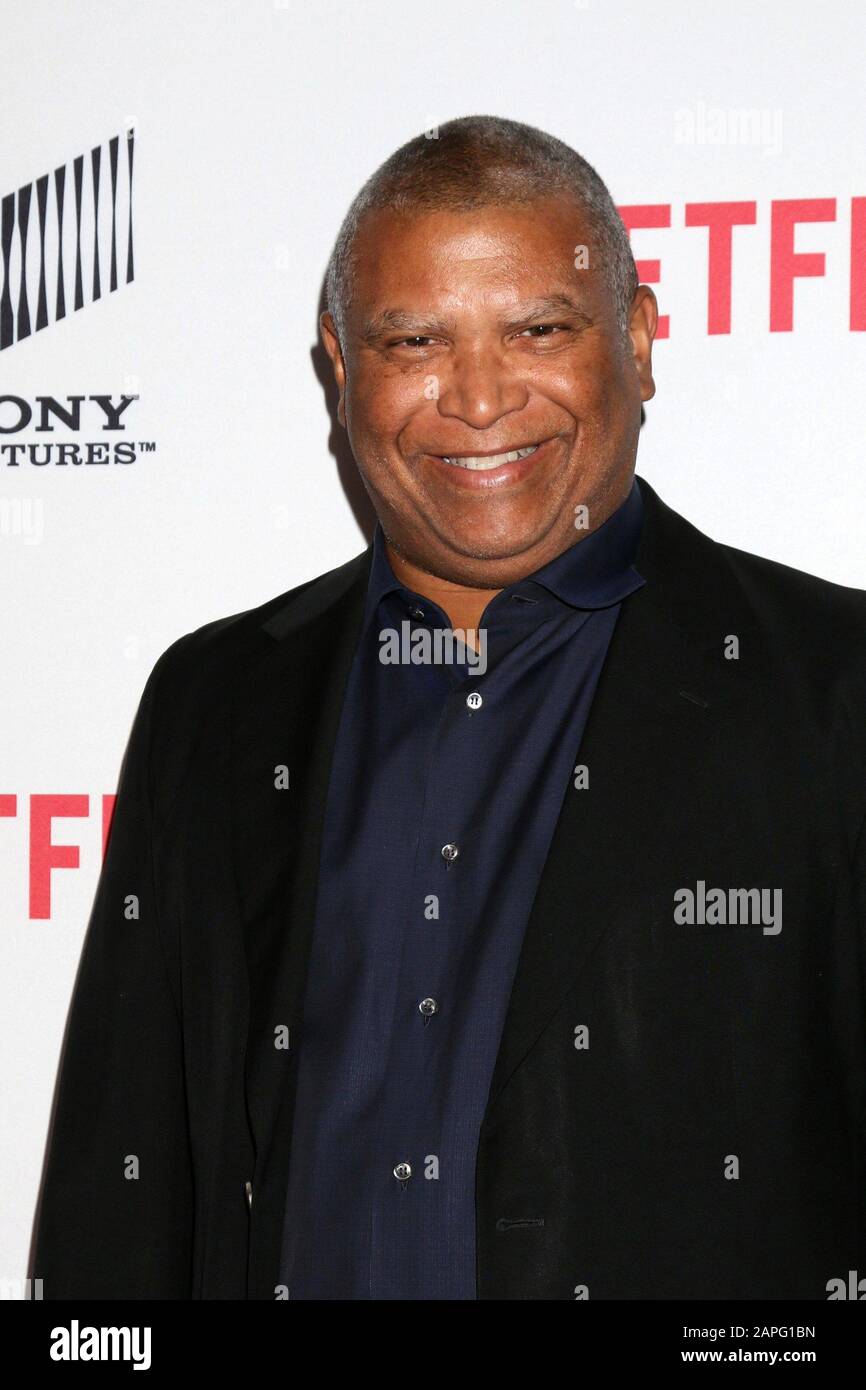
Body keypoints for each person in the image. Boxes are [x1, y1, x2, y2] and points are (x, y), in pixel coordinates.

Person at [32, 115, 866, 1300]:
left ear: (634, 335)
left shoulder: (832, 688)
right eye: (414, 338)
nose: (477, 398)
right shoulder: (214, 703)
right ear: (338, 364)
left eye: (535, 328)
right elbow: (122, 1197)